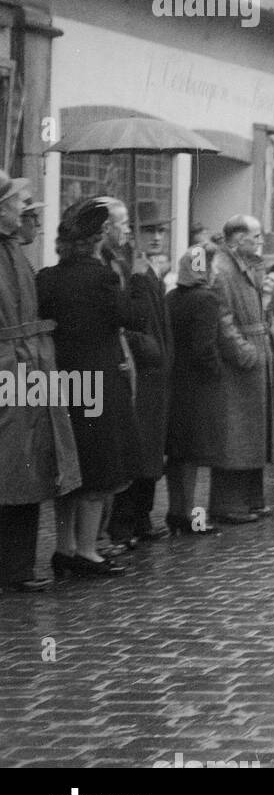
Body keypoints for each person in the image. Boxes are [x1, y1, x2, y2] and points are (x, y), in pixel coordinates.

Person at [36, 199, 146, 578]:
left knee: (69, 466)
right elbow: (133, 317)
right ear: (100, 236)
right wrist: (138, 276)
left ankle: (64, 548)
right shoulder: (101, 276)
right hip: (100, 377)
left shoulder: (47, 277)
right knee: (99, 467)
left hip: (59, 380)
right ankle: (87, 551)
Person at [0, 175, 80, 592]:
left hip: (28, 368)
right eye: (23, 204)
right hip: (8, 369)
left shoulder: (15, 249)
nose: (30, 211)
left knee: (28, 466)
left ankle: (18, 567)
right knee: (9, 465)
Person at [108, 199, 174, 545]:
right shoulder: (131, 270)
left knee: (151, 447)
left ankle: (142, 516)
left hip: (156, 370)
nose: (157, 237)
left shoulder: (148, 268)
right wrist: (148, 348)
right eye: (149, 230)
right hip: (143, 370)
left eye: (161, 230)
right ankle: (128, 520)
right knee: (139, 448)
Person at [208, 216, 274, 523]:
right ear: (237, 240)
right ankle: (229, 503)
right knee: (236, 433)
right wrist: (243, 352)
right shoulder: (222, 270)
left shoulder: (244, 266)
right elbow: (222, 318)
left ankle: (252, 498)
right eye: (255, 236)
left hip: (256, 351)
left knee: (253, 431)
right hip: (240, 363)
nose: (260, 242)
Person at [163, 245, 223, 536]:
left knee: (177, 452)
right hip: (198, 385)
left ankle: (175, 511)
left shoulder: (172, 297)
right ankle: (189, 514)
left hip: (174, 381)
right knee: (193, 453)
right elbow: (205, 347)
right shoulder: (207, 299)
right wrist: (216, 372)